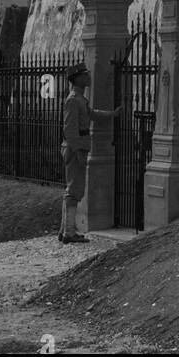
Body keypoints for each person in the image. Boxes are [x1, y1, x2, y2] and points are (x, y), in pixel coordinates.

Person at [58, 65, 119, 244]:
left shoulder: (79, 99)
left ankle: (65, 230)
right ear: (76, 78)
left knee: (72, 189)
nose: (88, 77)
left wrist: (112, 114)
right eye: (85, 75)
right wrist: (77, 150)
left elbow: (91, 114)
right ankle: (69, 232)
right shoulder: (73, 100)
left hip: (78, 147)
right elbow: (70, 130)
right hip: (76, 148)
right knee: (74, 189)